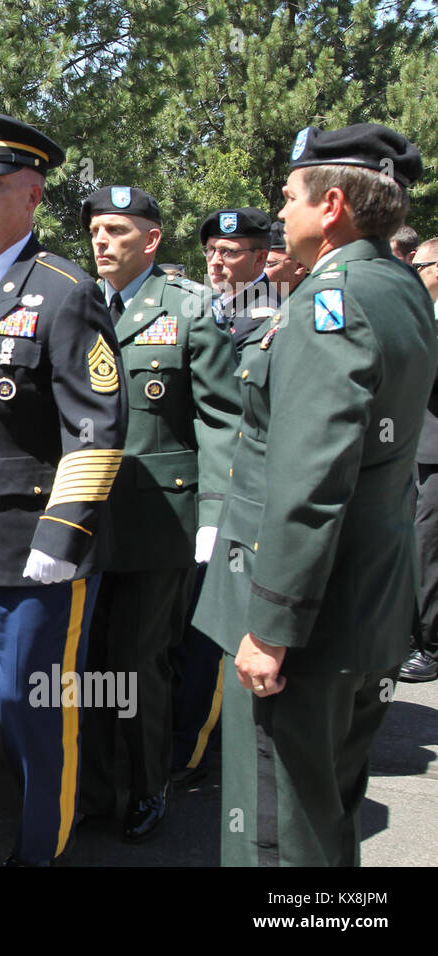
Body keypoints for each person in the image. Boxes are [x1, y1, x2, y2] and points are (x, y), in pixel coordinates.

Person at [194, 122, 435, 866]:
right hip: (364, 605)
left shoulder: (332, 303)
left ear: (331, 206)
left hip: (303, 619)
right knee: (329, 814)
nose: (280, 212)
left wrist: (271, 626)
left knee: (275, 831)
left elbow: (309, 482)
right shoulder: (397, 286)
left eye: (289, 196)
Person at [0, 113, 127, 866]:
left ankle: (39, 851)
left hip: (34, 548)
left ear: (33, 196)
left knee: (33, 708)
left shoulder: (65, 292)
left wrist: (63, 533)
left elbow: (98, 426)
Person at [77, 186, 242, 842]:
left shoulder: (189, 308)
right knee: (87, 663)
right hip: (85, 517)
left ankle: (149, 787)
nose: (102, 240)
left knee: (139, 660)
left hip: (159, 522)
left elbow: (221, 417)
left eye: (117, 230)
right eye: (96, 230)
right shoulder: (77, 303)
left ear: (151, 240)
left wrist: (215, 510)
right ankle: (94, 791)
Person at [402, 236, 438, 683]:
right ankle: (413, 636)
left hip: (433, 452)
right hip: (413, 447)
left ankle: (430, 646)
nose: (414, 272)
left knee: (427, 547)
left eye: (421, 266)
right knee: (414, 543)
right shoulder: (424, 314)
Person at [199, 207, 272, 358]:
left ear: (260, 258)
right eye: (210, 249)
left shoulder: (263, 318)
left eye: (228, 252)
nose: (214, 261)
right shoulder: (213, 302)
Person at [261, 221, 308, 304]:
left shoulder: (315, 302)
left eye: (267, 264)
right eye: (257, 262)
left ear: (299, 266)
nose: (257, 271)